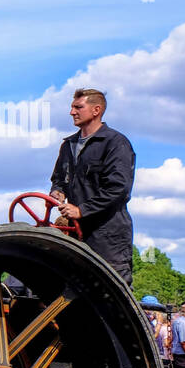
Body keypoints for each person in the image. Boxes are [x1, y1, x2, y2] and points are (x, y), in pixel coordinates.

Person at [49, 88, 135, 284]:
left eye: (78, 107)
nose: (72, 112)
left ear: (96, 110)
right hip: (76, 232)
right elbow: (59, 178)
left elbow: (118, 188)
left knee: (110, 290)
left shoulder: (115, 143)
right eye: (72, 107)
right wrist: (58, 192)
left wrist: (81, 210)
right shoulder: (68, 145)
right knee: (74, 286)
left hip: (108, 236)